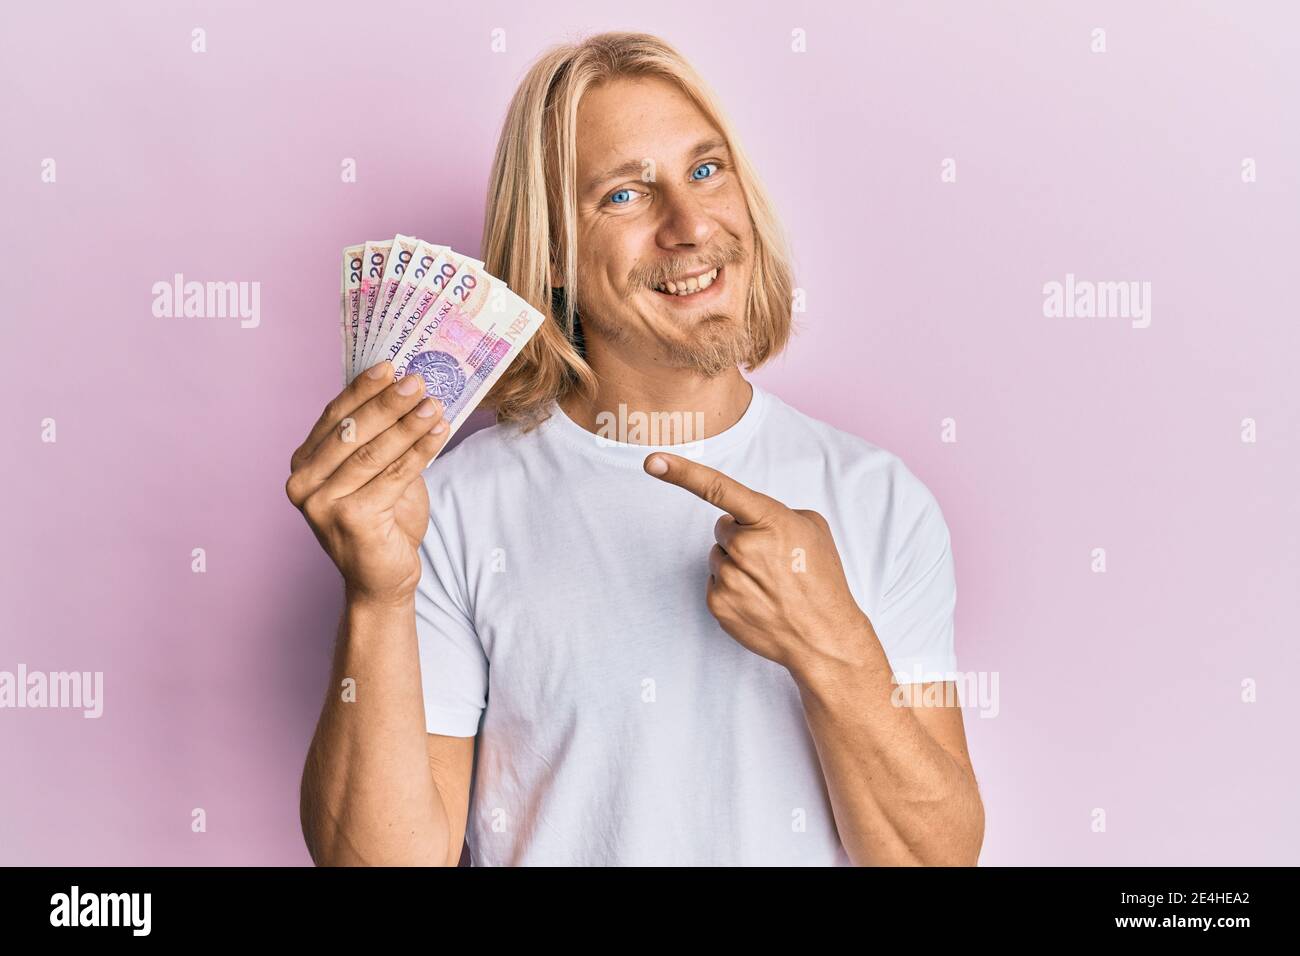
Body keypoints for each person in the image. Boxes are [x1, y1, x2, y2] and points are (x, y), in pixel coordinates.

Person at [288, 31, 984, 866]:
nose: (690, 226)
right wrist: (376, 596)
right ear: (553, 259)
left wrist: (830, 645)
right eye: (624, 195)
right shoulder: (450, 510)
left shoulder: (880, 499)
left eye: (705, 170)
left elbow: (936, 859)